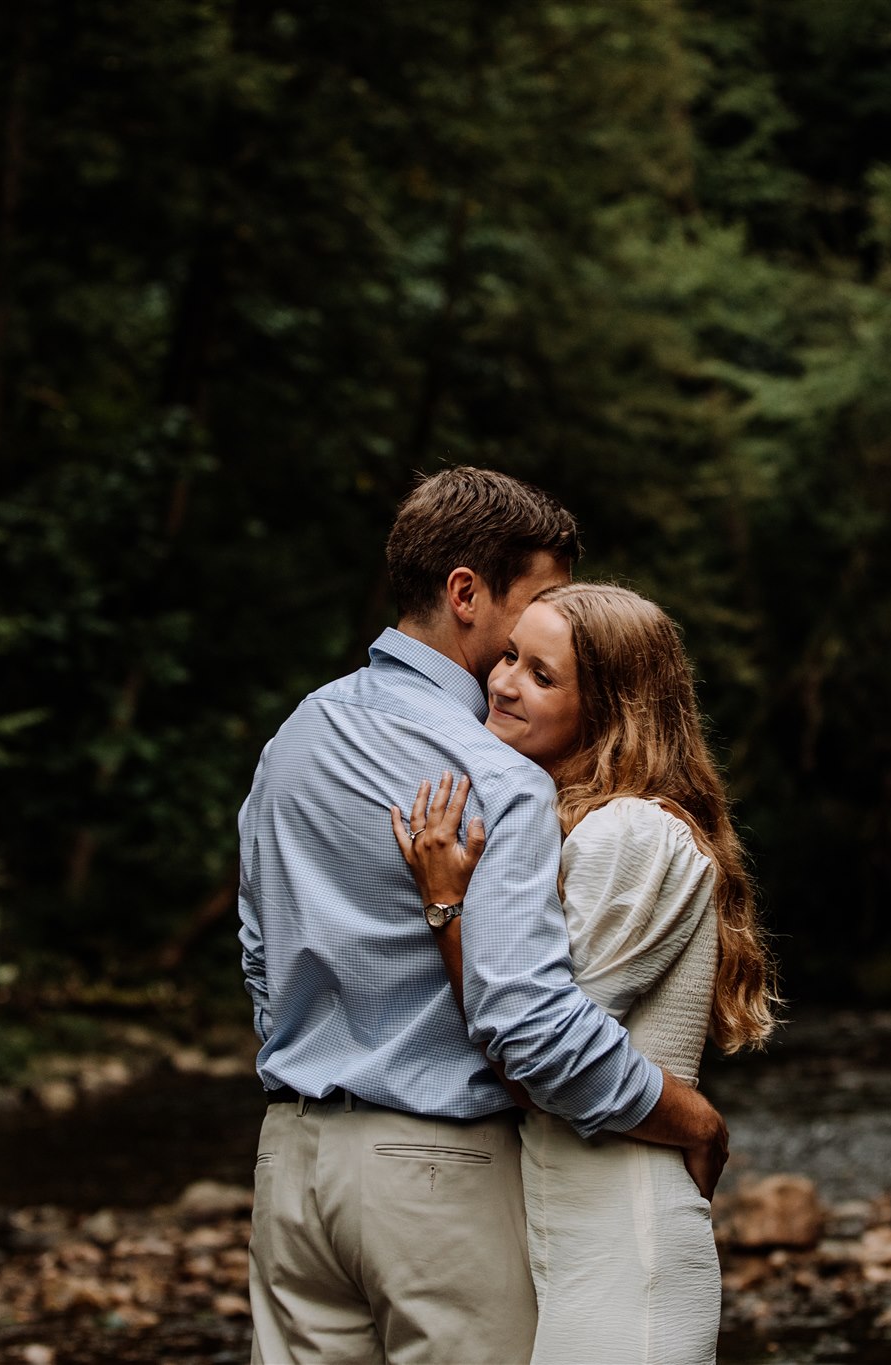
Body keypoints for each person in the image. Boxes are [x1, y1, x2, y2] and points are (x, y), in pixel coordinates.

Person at [238, 468, 730, 1365]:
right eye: (542, 600)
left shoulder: (294, 738)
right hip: (437, 1174)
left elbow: (258, 951)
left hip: (288, 1164)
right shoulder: (501, 780)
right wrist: (688, 1119)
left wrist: (318, 1055)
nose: (551, 623)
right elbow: (528, 1026)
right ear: (466, 592)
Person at [392, 582, 778, 1365]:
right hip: (576, 1241)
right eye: (508, 655)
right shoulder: (578, 826)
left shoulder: (628, 831)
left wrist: (446, 905)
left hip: (623, 1244)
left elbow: (535, 1048)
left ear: (611, 709)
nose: (501, 683)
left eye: (541, 674)